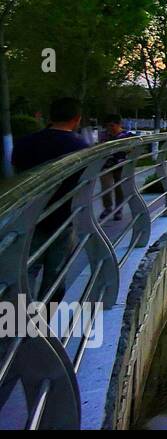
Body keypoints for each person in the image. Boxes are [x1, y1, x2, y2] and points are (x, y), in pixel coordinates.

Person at [11, 97, 90, 304]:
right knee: (55, 274)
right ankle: (45, 322)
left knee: (27, 268)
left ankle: (19, 318)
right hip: (62, 217)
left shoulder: (24, 143)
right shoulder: (80, 148)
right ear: (76, 119)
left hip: (28, 217)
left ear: (50, 116)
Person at [98, 113, 135, 220]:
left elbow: (132, 150)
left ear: (119, 124)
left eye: (112, 125)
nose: (109, 128)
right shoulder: (104, 135)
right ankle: (108, 208)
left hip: (121, 165)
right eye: (107, 126)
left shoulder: (127, 136)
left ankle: (118, 209)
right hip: (106, 165)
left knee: (119, 188)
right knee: (106, 186)